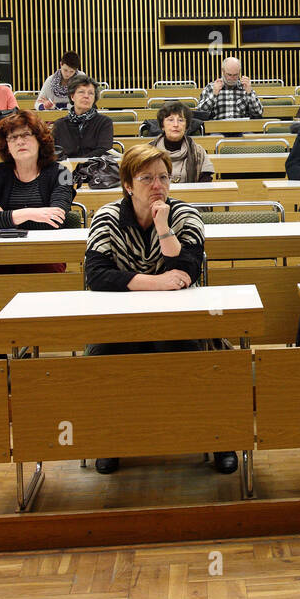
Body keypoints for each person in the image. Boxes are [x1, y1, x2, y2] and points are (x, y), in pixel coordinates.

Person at [83, 144, 236, 476]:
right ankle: (110, 441)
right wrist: (156, 282)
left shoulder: (184, 215)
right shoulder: (106, 218)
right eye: (147, 178)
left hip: (179, 317)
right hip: (119, 320)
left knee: (197, 361)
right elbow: (96, 275)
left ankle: (220, 437)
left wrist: (164, 227)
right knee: (104, 362)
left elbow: (186, 272)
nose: (157, 185)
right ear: (127, 184)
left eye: (164, 177)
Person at [0, 109, 75, 232]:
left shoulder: (61, 173)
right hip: (5, 247)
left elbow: (56, 220)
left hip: (48, 246)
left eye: (26, 135)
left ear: (40, 140)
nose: (20, 142)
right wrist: (30, 214)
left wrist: (4, 216)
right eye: (12, 137)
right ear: (6, 146)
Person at [50, 75, 114, 159]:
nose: (86, 96)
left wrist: (79, 163)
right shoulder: (60, 124)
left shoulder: (104, 122)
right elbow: (55, 151)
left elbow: (104, 150)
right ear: (72, 97)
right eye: (81, 92)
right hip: (66, 168)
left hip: (94, 168)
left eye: (91, 93)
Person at [151, 100, 213, 182]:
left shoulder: (198, 151)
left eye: (180, 120)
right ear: (162, 125)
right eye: (170, 120)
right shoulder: (148, 151)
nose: (176, 125)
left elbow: (205, 185)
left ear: (186, 126)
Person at [193, 56, 263, 119]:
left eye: (235, 75)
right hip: (217, 129)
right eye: (229, 74)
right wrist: (214, 95)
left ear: (239, 72)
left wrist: (249, 93)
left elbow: (258, 112)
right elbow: (200, 113)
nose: (232, 78)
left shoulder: (245, 87)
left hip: (242, 128)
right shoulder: (211, 87)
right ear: (223, 71)